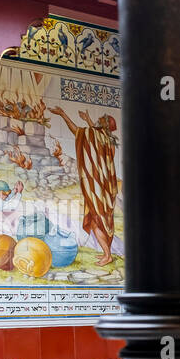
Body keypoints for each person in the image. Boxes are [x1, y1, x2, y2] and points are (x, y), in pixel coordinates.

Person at [48, 105, 119, 266]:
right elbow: (96, 143)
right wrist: (88, 120)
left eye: (102, 119)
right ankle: (106, 253)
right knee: (100, 220)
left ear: (104, 125)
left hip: (96, 188)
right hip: (105, 190)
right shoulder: (108, 141)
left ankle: (107, 255)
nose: (99, 119)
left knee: (96, 220)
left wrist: (62, 113)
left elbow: (78, 132)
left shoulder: (96, 135)